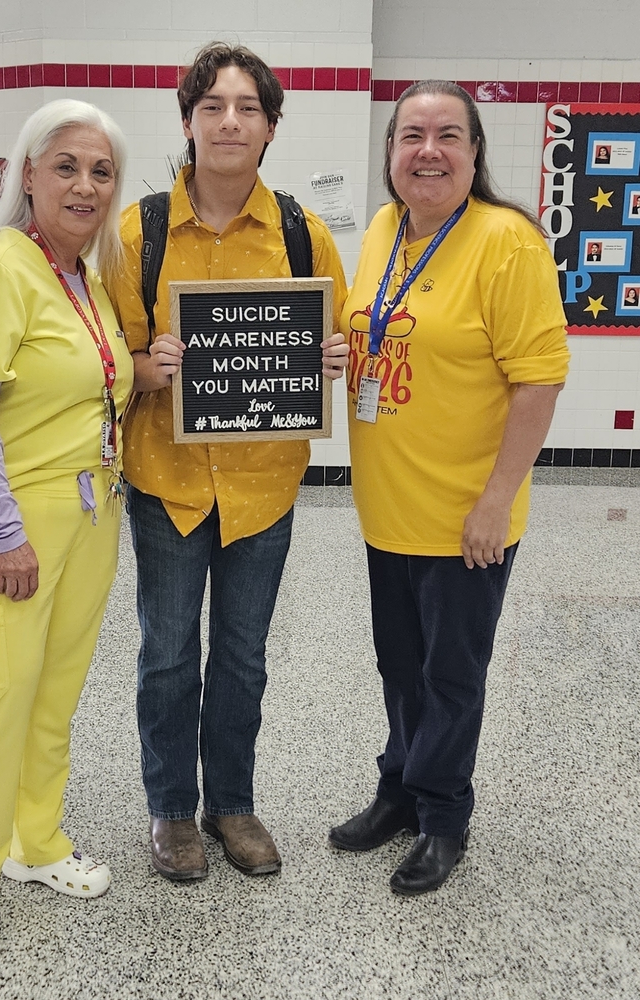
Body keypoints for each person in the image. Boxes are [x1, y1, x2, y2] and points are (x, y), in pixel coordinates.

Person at [108, 42, 348, 881]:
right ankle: (172, 812)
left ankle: (232, 805)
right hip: (167, 486)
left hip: (261, 486)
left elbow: (331, 338)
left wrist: (328, 358)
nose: (229, 121)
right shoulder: (134, 232)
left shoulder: (299, 232)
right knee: (167, 655)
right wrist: (151, 367)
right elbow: (111, 360)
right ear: (187, 121)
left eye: (247, 108)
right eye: (212, 106)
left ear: (271, 127)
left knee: (242, 657)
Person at [329, 80, 569, 896]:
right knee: (398, 663)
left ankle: (442, 815)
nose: (426, 150)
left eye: (447, 135)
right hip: (387, 506)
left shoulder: (507, 242)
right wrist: (341, 358)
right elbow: (381, 330)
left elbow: (537, 380)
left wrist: (495, 502)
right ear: (390, 151)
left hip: (466, 514)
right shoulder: (384, 230)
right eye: (410, 136)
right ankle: (397, 786)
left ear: (473, 153)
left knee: (450, 675)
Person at [0, 99, 132, 957]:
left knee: (52, 697)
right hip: (7, 524)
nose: (84, 185)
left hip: (90, 517)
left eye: (101, 171)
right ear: (23, 176)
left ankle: (35, 843)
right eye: (66, 167)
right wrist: (6, 532)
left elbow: (84, 383)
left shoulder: (81, 274)